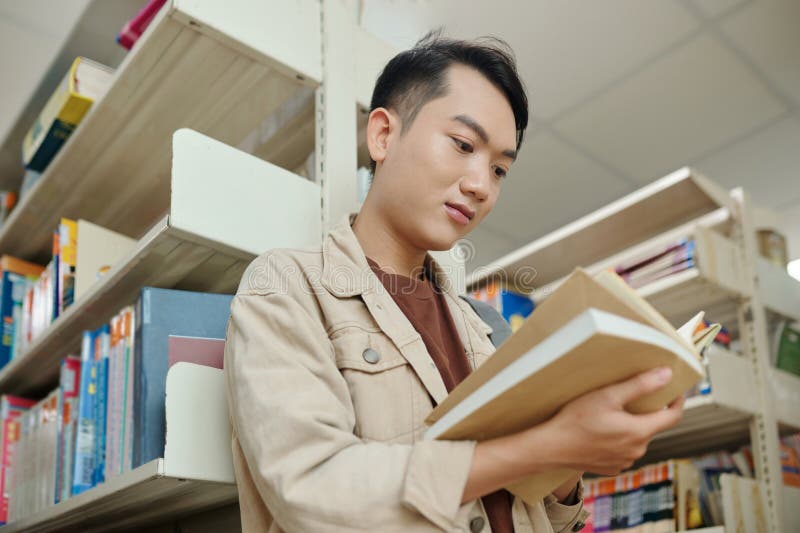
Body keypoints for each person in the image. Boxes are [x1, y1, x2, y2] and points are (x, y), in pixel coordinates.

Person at [224, 32, 685, 532]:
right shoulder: (285, 286)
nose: (481, 185)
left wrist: (569, 462)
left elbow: (553, 519)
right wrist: (542, 446)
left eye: (500, 169)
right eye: (463, 145)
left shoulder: (486, 328)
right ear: (383, 135)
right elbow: (310, 490)